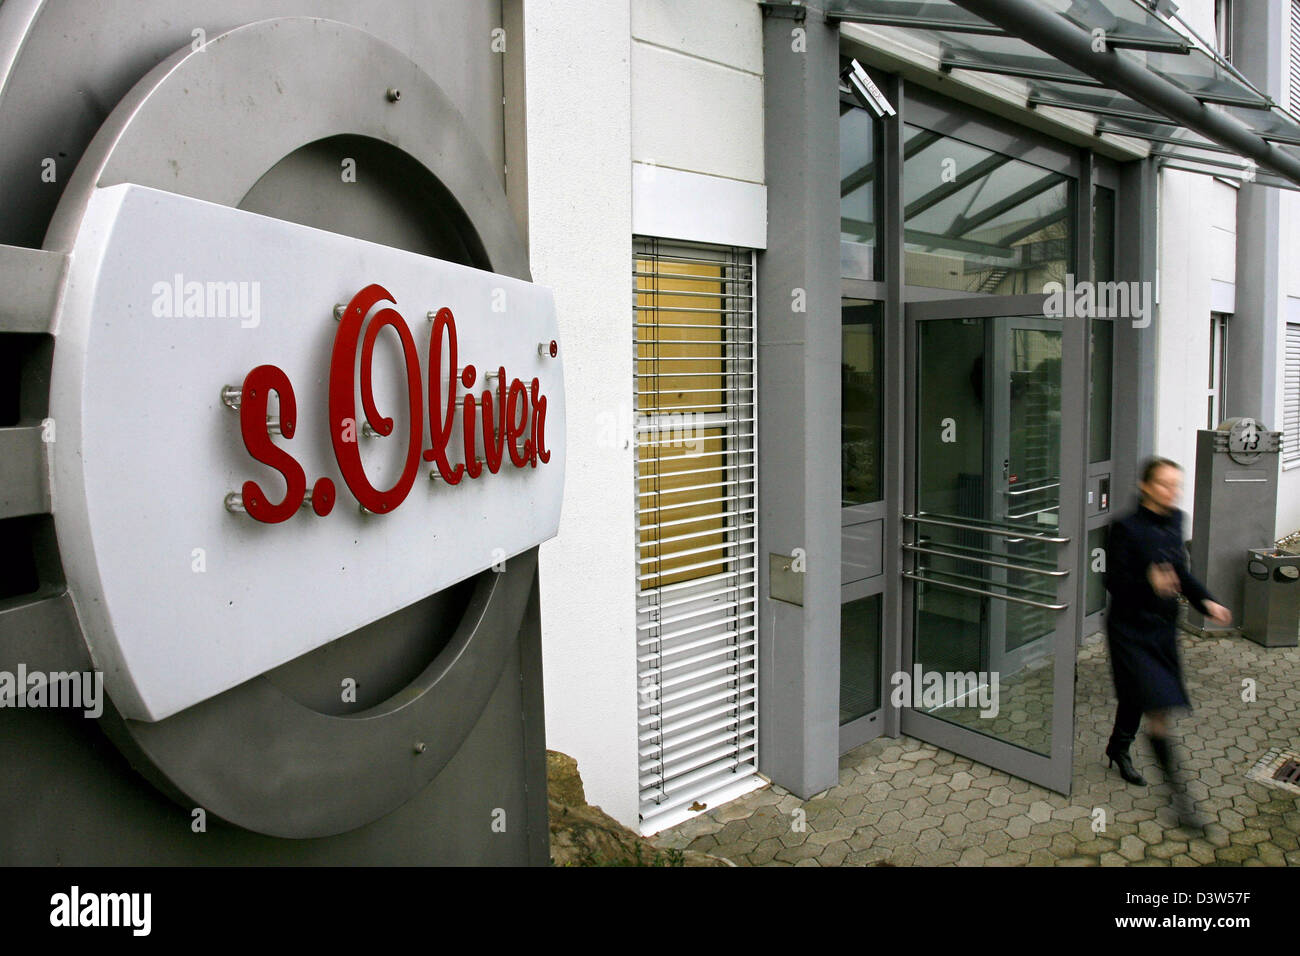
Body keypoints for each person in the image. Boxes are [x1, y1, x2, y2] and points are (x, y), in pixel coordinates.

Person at [1103, 457, 1232, 827]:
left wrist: (1206, 600)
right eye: (1163, 484)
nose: (1171, 492)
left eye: (1176, 485)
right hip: (1130, 630)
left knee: (1138, 693)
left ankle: (1117, 747)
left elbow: (1181, 574)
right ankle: (1182, 800)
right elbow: (1112, 583)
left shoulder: (1176, 520)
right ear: (1145, 486)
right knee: (1157, 708)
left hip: (1161, 630)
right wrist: (1148, 582)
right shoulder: (1125, 528)